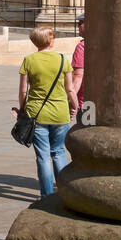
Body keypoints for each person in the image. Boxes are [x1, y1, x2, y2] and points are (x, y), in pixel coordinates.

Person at [14, 26, 77, 199]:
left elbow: (23, 91)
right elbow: (70, 89)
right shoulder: (63, 59)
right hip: (60, 113)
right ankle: (66, 192)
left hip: (36, 114)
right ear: (50, 41)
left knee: (43, 156)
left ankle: (46, 196)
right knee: (58, 152)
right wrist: (75, 105)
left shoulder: (29, 60)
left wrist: (22, 109)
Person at [71, 18, 85, 123]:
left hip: (86, 103)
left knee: (87, 133)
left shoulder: (82, 46)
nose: (78, 26)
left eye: (80, 23)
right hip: (105, 103)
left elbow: (78, 76)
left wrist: (70, 101)